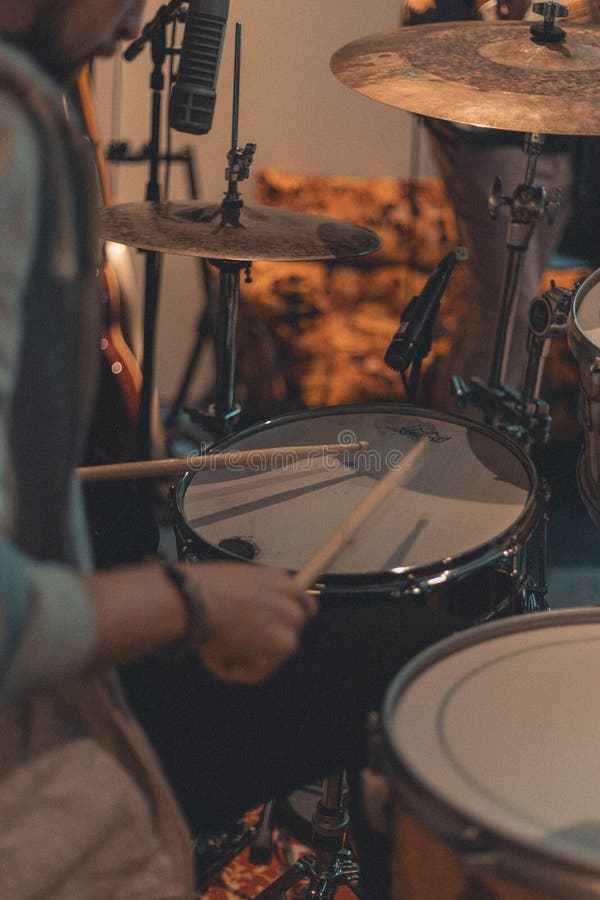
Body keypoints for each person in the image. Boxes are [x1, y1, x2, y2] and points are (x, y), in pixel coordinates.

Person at [0, 3, 461, 897]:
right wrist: (187, 601)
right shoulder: (13, 135)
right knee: (416, 665)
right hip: (35, 750)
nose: (135, 21)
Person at [401, 0, 578, 397]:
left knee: (501, 307)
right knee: (513, 310)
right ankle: (473, 448)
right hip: (489, 130)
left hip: (559, 131)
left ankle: (449, 437)